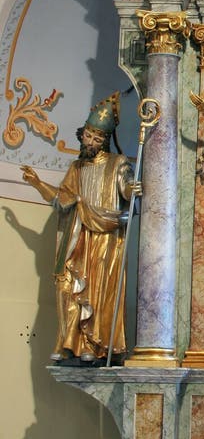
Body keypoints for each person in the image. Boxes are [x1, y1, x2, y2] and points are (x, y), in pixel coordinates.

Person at [21, 92, 139, 364]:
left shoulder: (117, 163)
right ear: (82, 134)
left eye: (97, 138)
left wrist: (133, 188)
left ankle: (95, 345)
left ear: (105, 141)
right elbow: (62, 199)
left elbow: (126, 189)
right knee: (70, 290)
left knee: (98, 293)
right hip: (79, 239)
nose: (91, 141)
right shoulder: (77, 167)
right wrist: (36, 182)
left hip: (106, 241)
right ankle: (70, 343)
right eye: (88, 135)